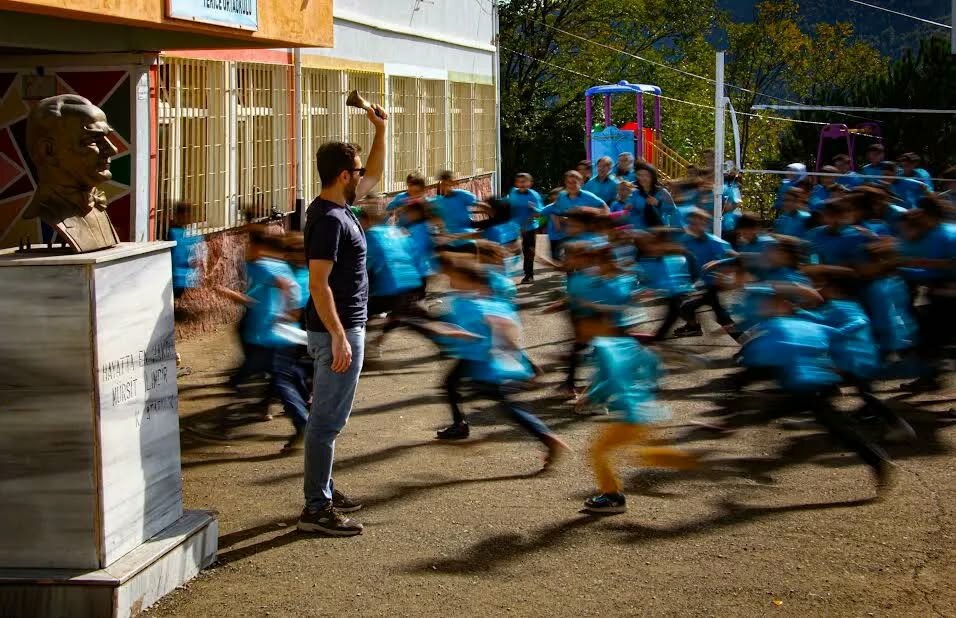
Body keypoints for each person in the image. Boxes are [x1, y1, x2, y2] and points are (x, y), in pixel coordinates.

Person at [298, 100, 387, 537]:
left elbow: (375, 176)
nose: (361, 175)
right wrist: (338, 335)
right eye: (355, 170)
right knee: (326, 423)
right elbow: (319, 284)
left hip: (345, 327)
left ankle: (325, 489)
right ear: (341, 176)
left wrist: (380, 130)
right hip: (338, 330)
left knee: (327, 420)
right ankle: (316, 508)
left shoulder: (340, 207)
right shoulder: (330, 220)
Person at [579, 333, 696, 513]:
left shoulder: (602, 347)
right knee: (641, 453)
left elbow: (610, 379)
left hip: (633, 414)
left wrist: (590, 397)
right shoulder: (628, 344)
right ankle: (695, 460)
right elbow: (651, 363)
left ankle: (612, 497)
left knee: (599, 451)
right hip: (648, 409)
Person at [216, 230, 309, 450]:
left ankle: (302, 420)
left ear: (258, 247)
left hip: (270, 336)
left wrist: (289, 312)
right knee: (273, 377)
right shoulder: (267, 265)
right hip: (272, 334)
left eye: (250, 245)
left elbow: (289, 286)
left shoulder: (265, 267)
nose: (247, 249)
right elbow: (255, 300)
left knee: (279, 380)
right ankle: (297, 417)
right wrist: (231, 294)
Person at [673, 209, 737, 339]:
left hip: (712, 282)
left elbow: (735, 257)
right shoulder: (686, 240)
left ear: (705, 224)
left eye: (699, 223)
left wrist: (719, 265)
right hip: (699, 283)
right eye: (692, 223)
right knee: (714, 309)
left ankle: (695, 327)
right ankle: (694, 326)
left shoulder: (714, 242)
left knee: (687, 306)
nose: (695, 227)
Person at [541, 170, 608, 259]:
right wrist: (542, 213)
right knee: (569, 261)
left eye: (574, 182)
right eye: (569, 182)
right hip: (568, 236)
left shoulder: (588, 196)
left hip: (586, 237)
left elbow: (606, 209)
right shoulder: (562, 196)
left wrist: (585, 210)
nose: (571, 185)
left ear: (580, 183)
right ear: (565, 183)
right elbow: (554, 208)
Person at [507, 174, 543, 284]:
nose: (522, 184)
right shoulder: (513, 193)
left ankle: (529, 275)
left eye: (524, 181)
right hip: (515, 227)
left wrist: (533, 208)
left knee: (528, 251)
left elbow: (540, 212)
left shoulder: (534, 195)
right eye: (519, 181)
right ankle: (507, 273)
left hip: (529, 227)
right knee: (512, 249)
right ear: (516, 183)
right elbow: (508, 207)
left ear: (530, 183)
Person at [630, 162, 679, 229]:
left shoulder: (662, 192)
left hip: (660, 230)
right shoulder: (635, 193)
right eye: (640, 175)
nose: (643, 178)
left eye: (647, 175)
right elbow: (633, 214)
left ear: (652, 177)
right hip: (641, 230)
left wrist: (658, 204)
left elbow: (673, 211)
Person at [434, 170, 477, 234]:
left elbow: (478, 204)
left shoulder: (462, 194)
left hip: (467, 232)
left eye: (447, 184)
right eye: (443, 184)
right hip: (450, 235)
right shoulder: (438, 202)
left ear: (452, 183)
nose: (445, 187)